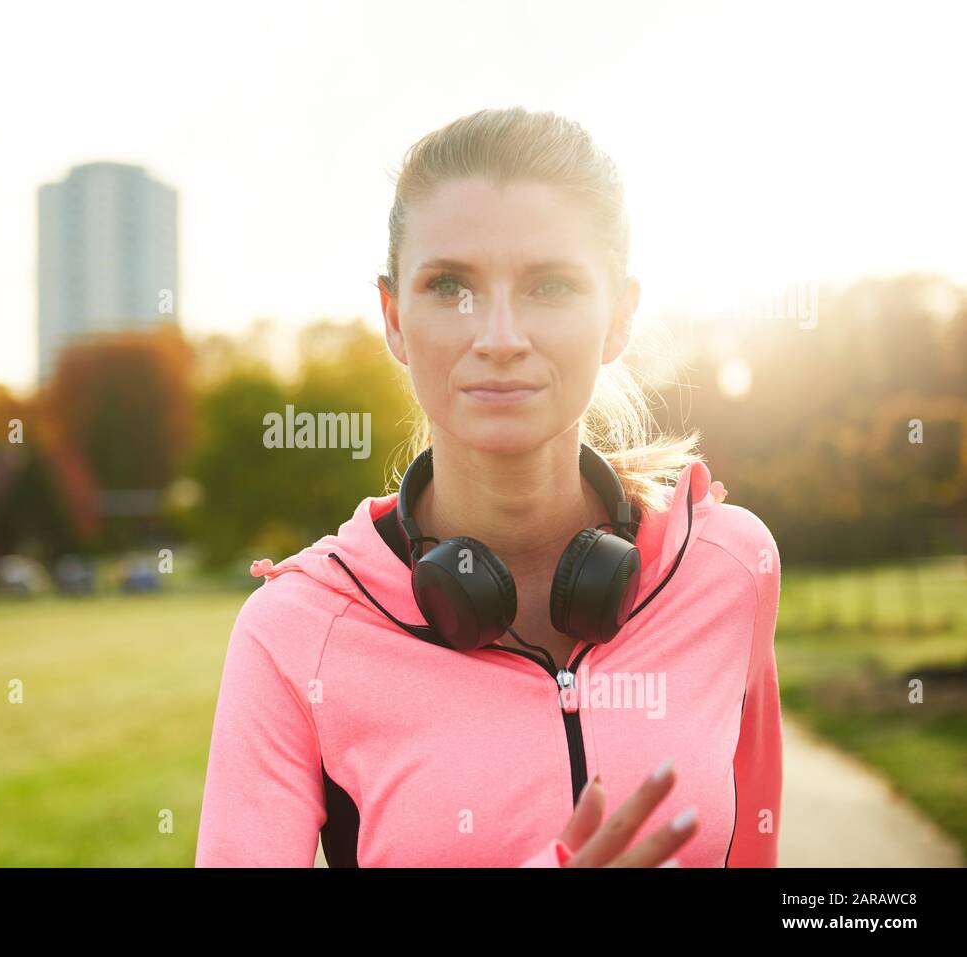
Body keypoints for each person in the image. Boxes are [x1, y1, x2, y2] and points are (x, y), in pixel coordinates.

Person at [194, 108, 782, 868]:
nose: (500, 335)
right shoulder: (293, 633)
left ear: (620, 316)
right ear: (395, 319)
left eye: (550, 284)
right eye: (450, 286)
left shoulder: (732, 568)